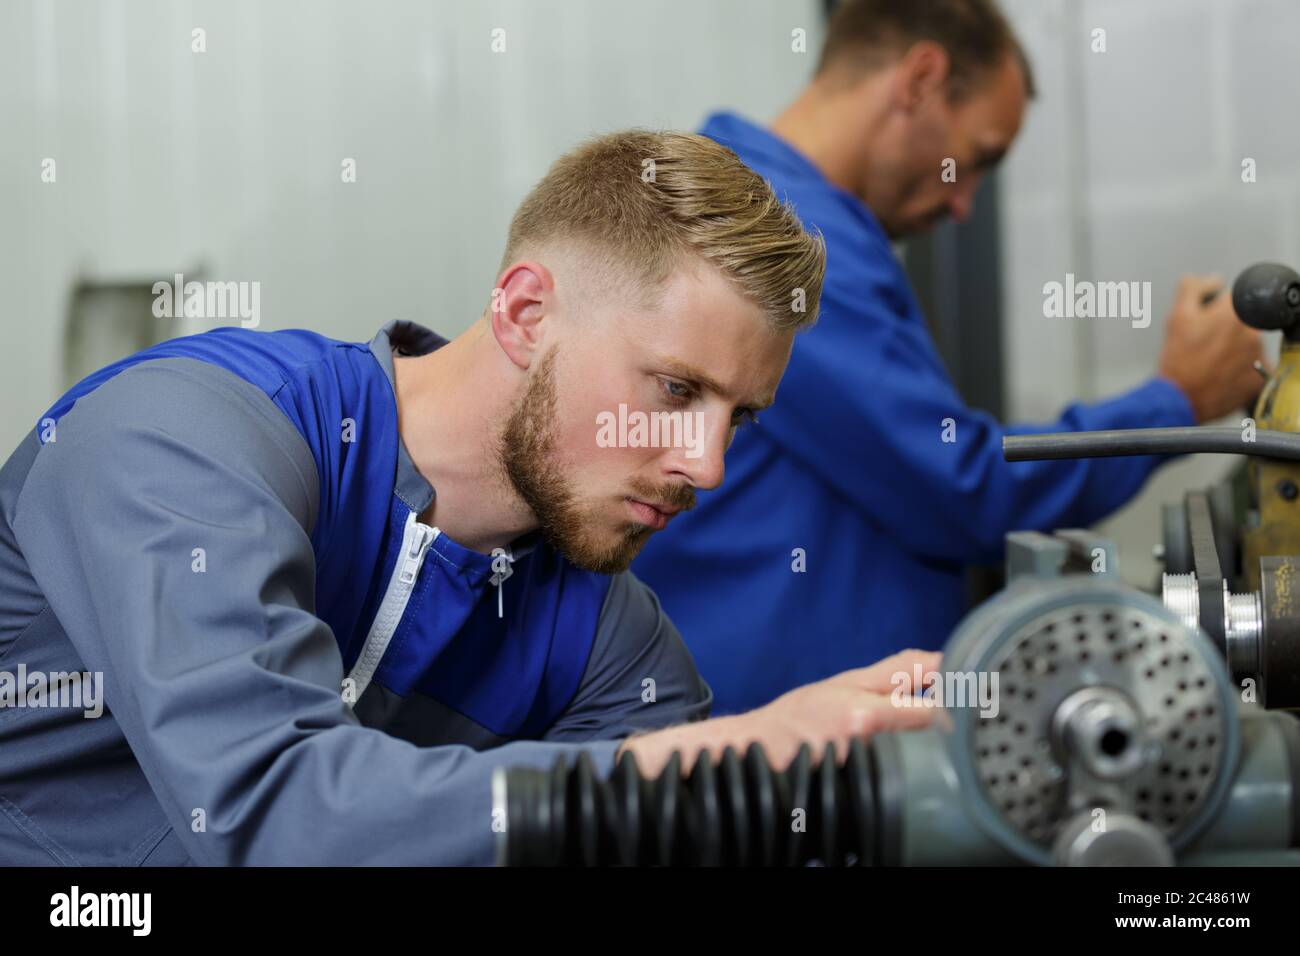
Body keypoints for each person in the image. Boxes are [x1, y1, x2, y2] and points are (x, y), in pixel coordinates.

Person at [0, 129, 938, 866]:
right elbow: (273, 819)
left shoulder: (609, 644)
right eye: (677, 390)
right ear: (525, 314)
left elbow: (667, 830)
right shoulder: (182, 438)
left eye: (741, 418)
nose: (709, 467)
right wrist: (718, 763)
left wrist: (850, 778)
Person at [633, 0, 1265, 715]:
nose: (964, 204)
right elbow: (964, 490)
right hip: (770, 755)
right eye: (977, 158)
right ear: (921, 80)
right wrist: (1175, 403)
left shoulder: (791, 215)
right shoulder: (767, 235)